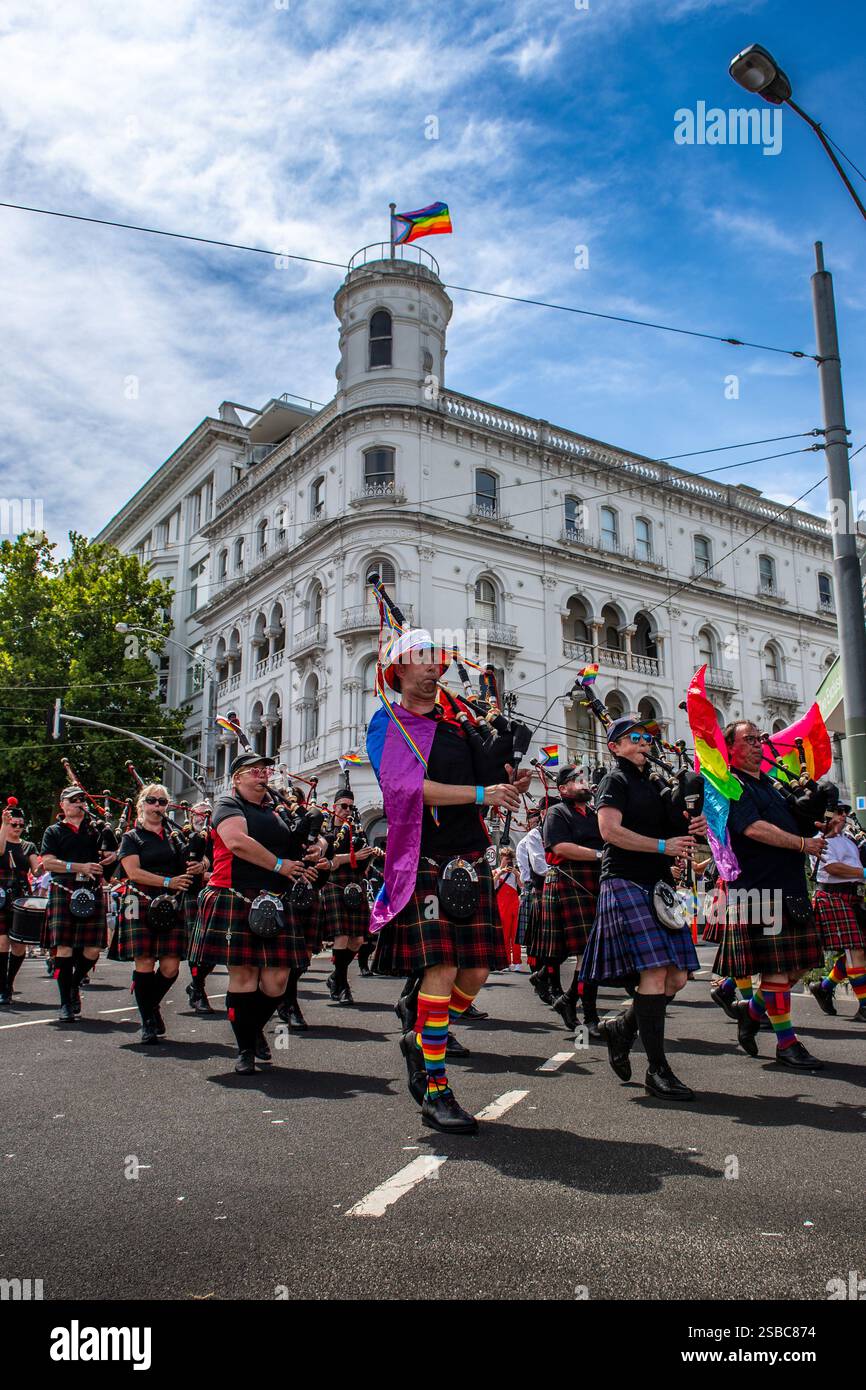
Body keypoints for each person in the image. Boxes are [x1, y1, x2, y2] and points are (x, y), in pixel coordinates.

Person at [368, 628, 530, 1134]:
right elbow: (405, 789)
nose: (432, 666)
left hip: (470, 856)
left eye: (436, 658)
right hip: (425, 857)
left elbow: (483, 779)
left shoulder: (459, 723)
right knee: (441, 967)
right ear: (397, 670)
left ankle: (420, 1037)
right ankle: (436, 1089)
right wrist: (482, 794)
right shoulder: (389, 721)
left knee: (476, 971)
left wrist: (507, 783)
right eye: (420, 658)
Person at [580, 717, 708, 1100]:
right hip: (625, 878)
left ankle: (621, 1027)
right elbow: (609, 832)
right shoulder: (614, 781)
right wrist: (663, 847)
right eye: (633, 737)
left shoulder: (655, 785)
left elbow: (674, 832)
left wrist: (693, 826)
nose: (643, 742)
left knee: (677, 978)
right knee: (654, 972)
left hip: (659, 884)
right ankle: (657, 1070)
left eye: (647, 738)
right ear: (614, 747)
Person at [188, 752, 322, 1074]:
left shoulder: (276, 811)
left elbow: (296, 847)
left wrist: (315, 847)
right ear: (237, 778)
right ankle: (245, 1049)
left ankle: (252, 1028)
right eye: (254, 770)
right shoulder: (227, 804)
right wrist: (279, 865)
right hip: (235, 894)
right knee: (245, 976)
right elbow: (237, 842)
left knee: (277, 981)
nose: (262, 774)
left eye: (265, 770)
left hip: (275, 898)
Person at [717, 720, 827, 1070]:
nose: (757, 744)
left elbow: (794, 822)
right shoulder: (730, 784)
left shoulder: (771, 784)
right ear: (730, 748)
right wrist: (802, 843)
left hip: (789, 885)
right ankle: (786, 1043)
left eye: (758, 739)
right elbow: (752, 828)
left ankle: (750, 1012)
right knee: (778, 972)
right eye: (748, 739)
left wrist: (818, 820)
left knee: (799, 966)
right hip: (758, 889)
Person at [116, 784, 198, 1045]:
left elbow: (194, 862)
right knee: (145, 960)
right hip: (139, 899)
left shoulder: (176, 836)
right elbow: (133, 872)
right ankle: (148, 1021)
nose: (157, 806)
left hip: (169, 903)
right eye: (152, 800)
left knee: (170, 966)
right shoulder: (132, 837)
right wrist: (168, 882)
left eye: (162, 802)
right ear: (141, 804)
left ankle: (149, 1006)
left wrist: (201, 862)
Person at [538, 767, 604, 1035]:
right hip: (568, 879)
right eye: (578, 781)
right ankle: (589, 1015)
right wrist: (600, 855)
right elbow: (561, 848)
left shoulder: (595, 814)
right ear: (563, 788)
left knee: (591, 952)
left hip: (595, 881)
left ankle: (569, 1001)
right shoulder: (557, 812)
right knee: (586, 952)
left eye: (585, 780)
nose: (585, 784)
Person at [40, 787, 113, 1021]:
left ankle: (73, 983)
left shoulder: (96, 830)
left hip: (91, 889)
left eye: (81, 799)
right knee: (64, 948)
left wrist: (113, 856)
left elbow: (110, 856)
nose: (78, 803)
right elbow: (48, 863)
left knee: (93, 949)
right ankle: (65, 1003)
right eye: (72, 800)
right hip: (64, 889)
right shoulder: (53, 831)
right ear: (62, 804)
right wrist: (79, 867)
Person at [808, 805, 866, 1023]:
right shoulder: (818, 840)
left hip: (853, 896)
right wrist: (864, 872)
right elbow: (832, 868)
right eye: (839, 812)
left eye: (845, 812)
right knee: (855, 951)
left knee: (859, 950)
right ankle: (865, 1006)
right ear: (826, 815)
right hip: (832, 896)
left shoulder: (849, 840)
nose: (844, 816)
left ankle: (824, 987)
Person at [321, 789, 377, 1003]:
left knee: (358, 940)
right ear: (334, 806)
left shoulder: (357, 830)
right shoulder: (326, 830)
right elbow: (328, 860)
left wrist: (369, 856)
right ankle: (342, 986)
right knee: (342, 937)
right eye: (343, 806)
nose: (347, 810)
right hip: (334, 883)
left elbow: (362, 861)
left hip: (355, 884)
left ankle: (335, 977)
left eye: (350, 807)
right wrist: (353, 856)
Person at [0, 803, 40, 1006]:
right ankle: (3, 987)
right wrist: (2, 825)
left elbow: (37, 871)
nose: (17, 828)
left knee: (18, 945)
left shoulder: (28, 846)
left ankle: (9, 982)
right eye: (13, 824)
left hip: (22, 897)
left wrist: (47, 863)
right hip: (0, 896)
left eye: (21, 825)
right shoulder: (1, 840)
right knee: (2, 942)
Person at [181, 801, 215, 1014]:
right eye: (198, 814)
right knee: (196, 946)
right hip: (191, 894)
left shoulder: (216, 838)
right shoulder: (181, 836)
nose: (202, 818)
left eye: (206, 814)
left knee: (212, 948)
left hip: (214, 893)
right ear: (191, 816)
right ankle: (198, 990)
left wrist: (208, 873)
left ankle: (195, 985)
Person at [515, 805, 548, 992]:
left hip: (543, 886)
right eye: (532, 821)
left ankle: (544, 977)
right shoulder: (526, 841)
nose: (535, 823)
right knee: (534, 938)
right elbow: (535, 868)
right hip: (533, 887)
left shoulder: (548, 836)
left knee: (546, 938)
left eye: (537, 820)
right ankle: (538, 976)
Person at [493, 846, 522, 970]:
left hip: (514, 905)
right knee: (504, 935)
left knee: (515, 935)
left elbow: (522, 885)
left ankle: (517, 961)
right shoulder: (495, 871)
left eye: (510, 860)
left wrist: (516, 873)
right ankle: (506, 962)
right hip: (502, 906)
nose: (508, 862)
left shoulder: (514, 872)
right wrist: (500, 873)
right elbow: (491, 886)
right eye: (506, 859)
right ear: (501, 858)